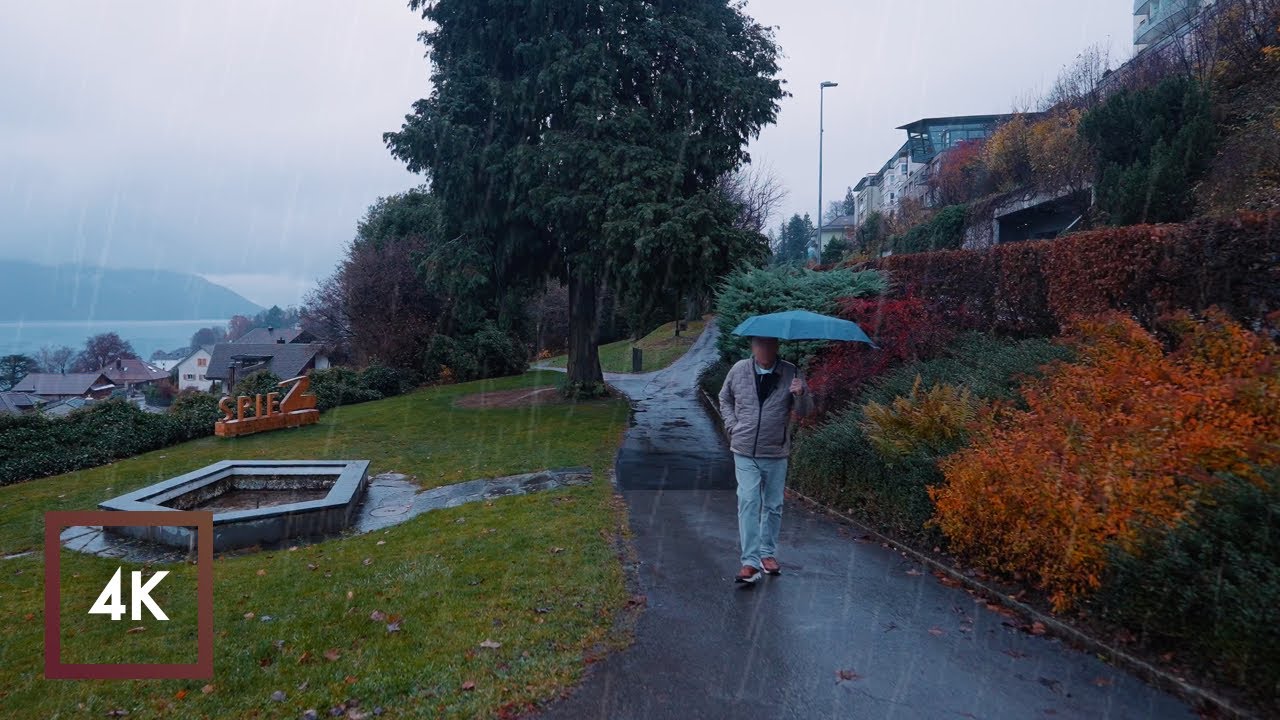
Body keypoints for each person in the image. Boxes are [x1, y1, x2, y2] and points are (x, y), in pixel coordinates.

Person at [717, 335, 813, 584]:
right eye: (760, 344)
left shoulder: (791, 372)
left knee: (773, 506)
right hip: (744, 449)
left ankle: (767, 554)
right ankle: (749, 561)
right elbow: (724, 397)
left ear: (777, 346)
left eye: (770, 344)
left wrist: (801, 394)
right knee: (748, 501)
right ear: (753, 346)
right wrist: (731, 425)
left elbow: (805, 411)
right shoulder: (739, 369)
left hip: (775, 451)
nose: (765, 348)